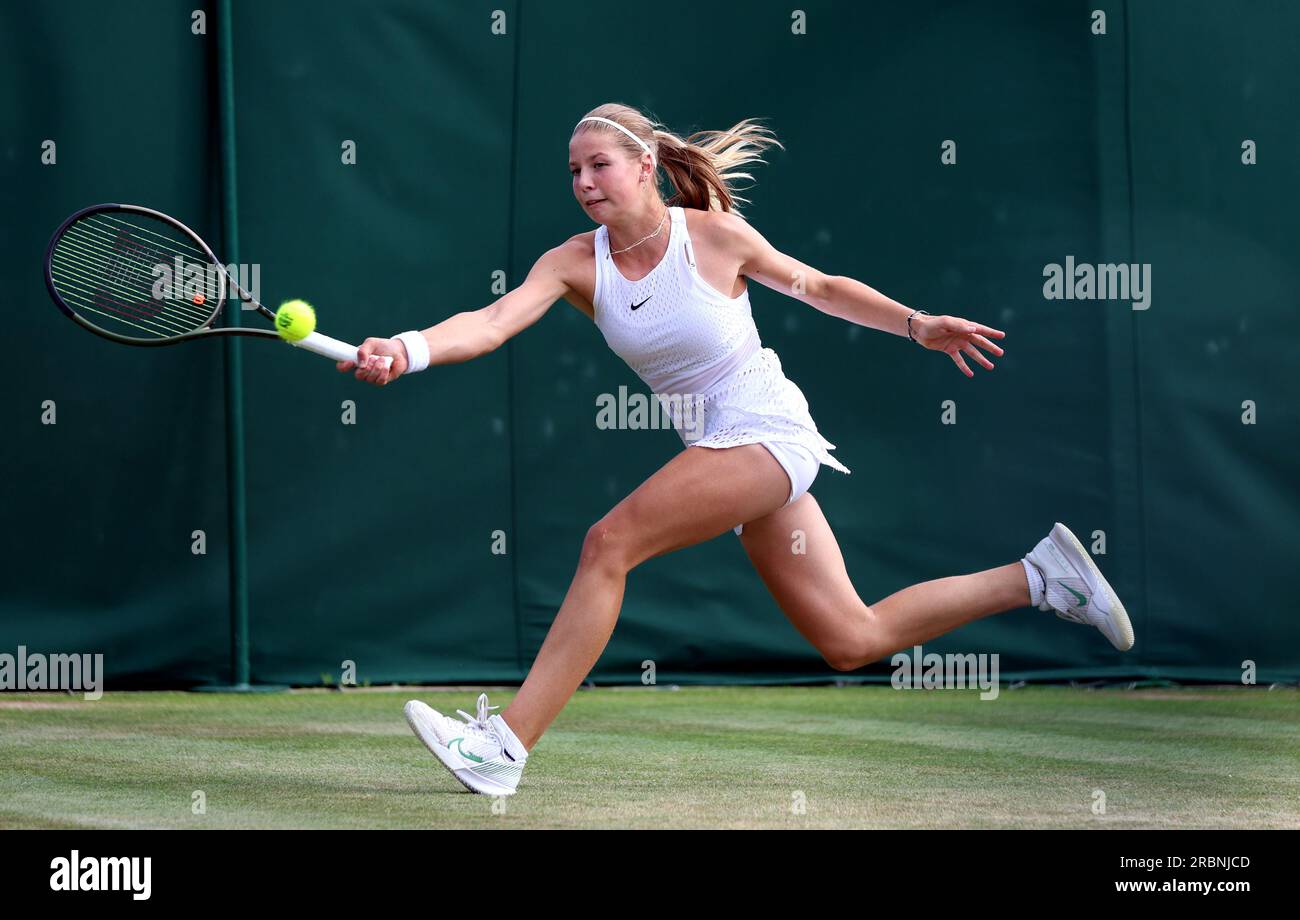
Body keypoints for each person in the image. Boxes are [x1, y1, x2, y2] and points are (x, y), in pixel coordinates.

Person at [336, 103, 1133, 797]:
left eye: (600, 164)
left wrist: (918, 324)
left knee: (608, 545)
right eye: (574, 170)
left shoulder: (715, 238)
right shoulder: (573, 263)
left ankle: (504, 747)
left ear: (645, 165)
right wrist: (405, 350)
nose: (583, 181)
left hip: (766, 430)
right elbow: (491, 322)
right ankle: (1039, 577)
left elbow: (817, 287)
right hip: (727, 447)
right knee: (851, 637)